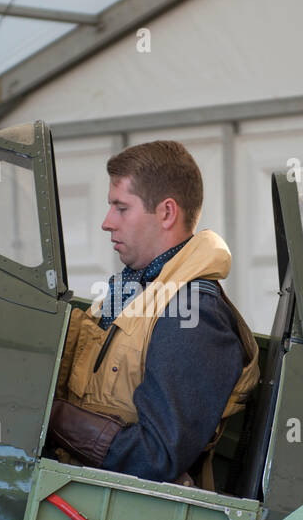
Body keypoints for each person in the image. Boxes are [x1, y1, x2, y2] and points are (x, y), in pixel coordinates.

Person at [47, 140, 259, 490]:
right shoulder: (133, 290)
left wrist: (51, 416)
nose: (106, 222)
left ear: (166, 213)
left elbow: (157, 456)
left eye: (121, 208)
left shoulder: (190, 314)